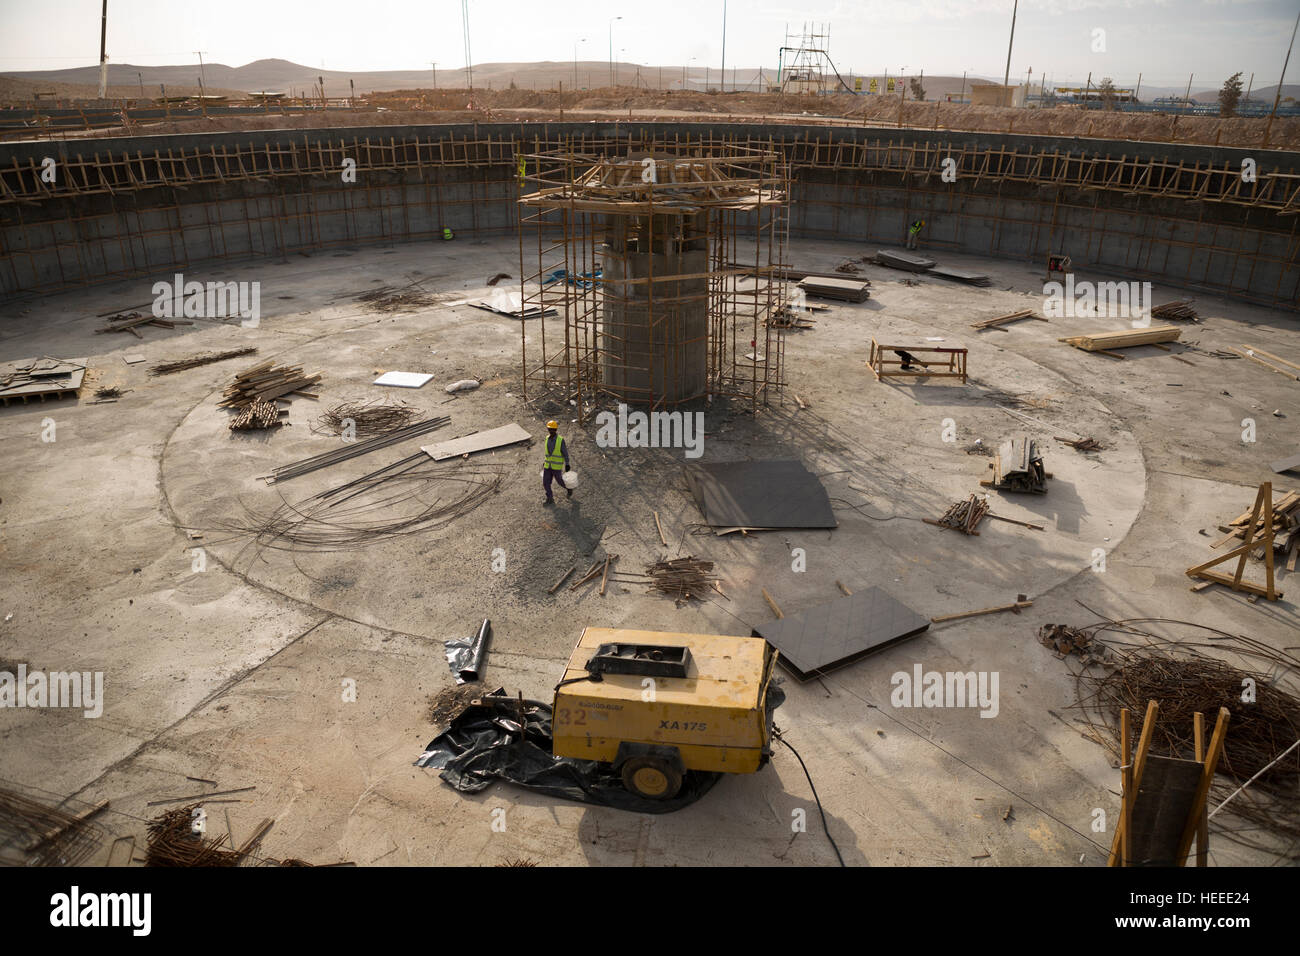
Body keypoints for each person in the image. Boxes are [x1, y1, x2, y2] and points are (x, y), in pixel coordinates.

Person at [542, 420, 572, 506]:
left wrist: (567, 464)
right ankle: (549, 497)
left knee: (560, 481)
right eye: (549, 429)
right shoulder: (547, 438)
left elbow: (565, 453)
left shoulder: (560, 440)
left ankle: (568, 488)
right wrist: (545, 462)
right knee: (545, 482)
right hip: (548, 466)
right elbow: (547, 453)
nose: (551, 431)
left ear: (556, 430)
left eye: (553, 429)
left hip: (556, 467)